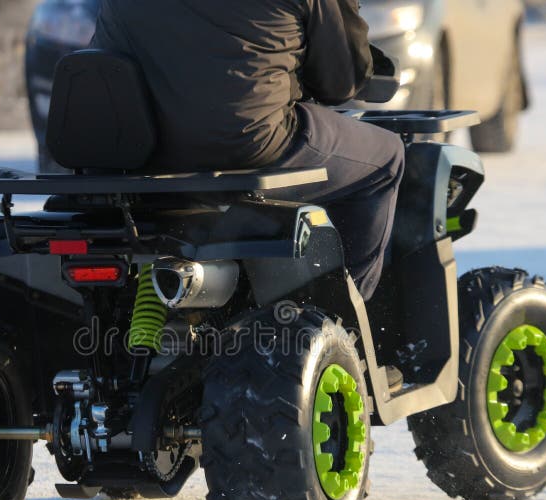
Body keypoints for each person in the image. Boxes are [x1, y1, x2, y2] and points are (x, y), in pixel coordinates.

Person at [90, 0, 405, 299]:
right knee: (387, 157)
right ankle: (348, 323)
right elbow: (340, 83)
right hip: (247, 143)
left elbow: (102, 59)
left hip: (133, 153)